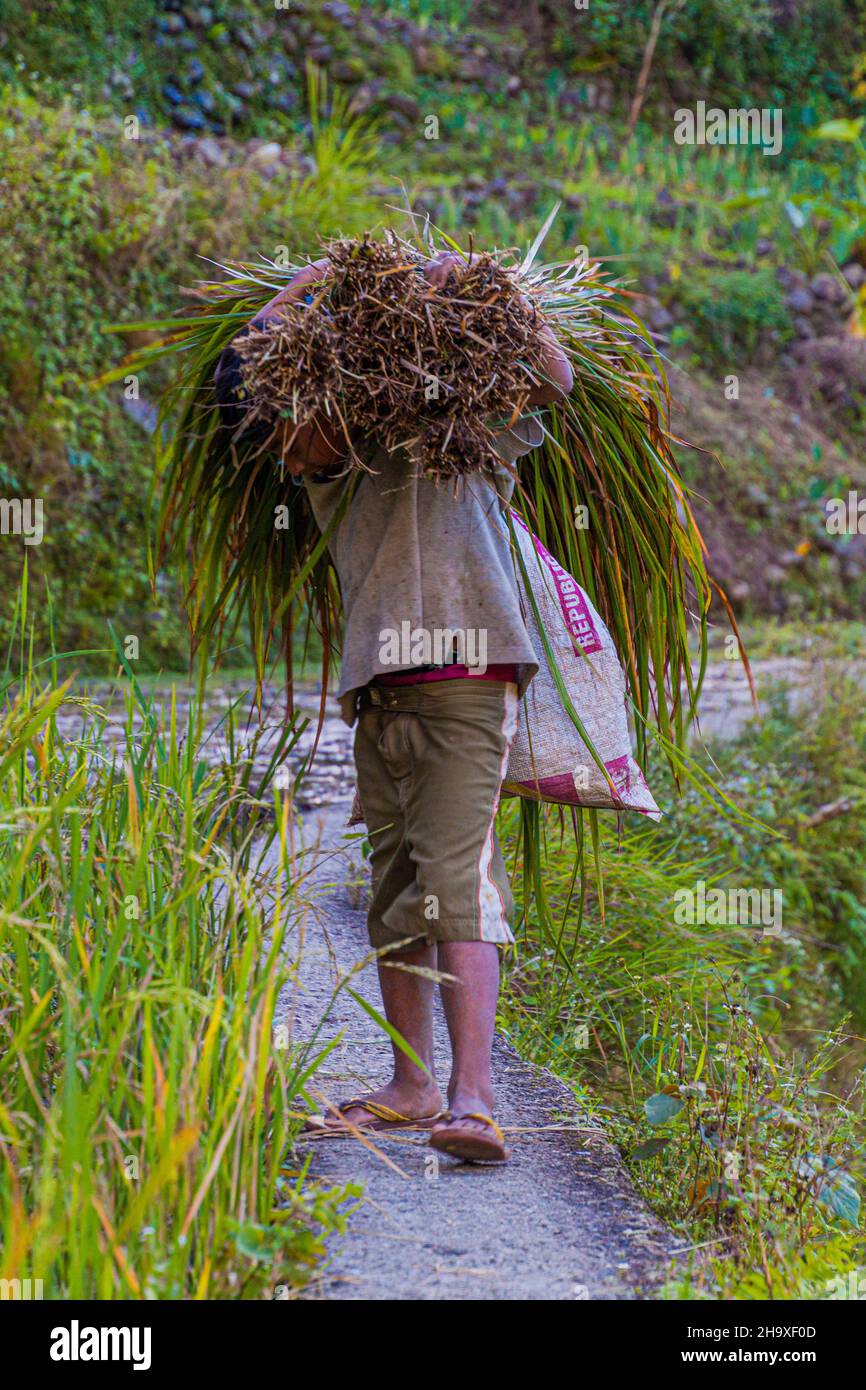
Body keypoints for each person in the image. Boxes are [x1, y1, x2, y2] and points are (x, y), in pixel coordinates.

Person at [215, 249, 572, 1161]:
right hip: (378, 689)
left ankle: (475, 1099)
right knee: (395, 895)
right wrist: (315, 281)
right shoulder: (327, 464)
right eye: (294, 429)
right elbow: (249, 371)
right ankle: (412, 1085)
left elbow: (557, 376)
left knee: (456, 886)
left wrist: (471, 285)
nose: (298, 434)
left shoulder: (473, 432)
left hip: (467, 673)